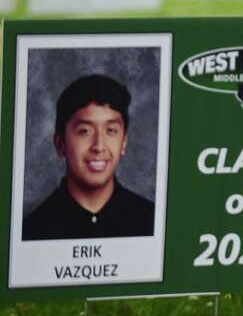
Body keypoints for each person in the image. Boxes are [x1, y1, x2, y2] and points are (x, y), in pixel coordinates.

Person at [23, 74, 155, 241]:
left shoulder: (151, 221)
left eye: (111, 131)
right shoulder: (32, 230)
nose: (99, 146)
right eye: (85, 131)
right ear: (60, 143)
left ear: (123, 143)